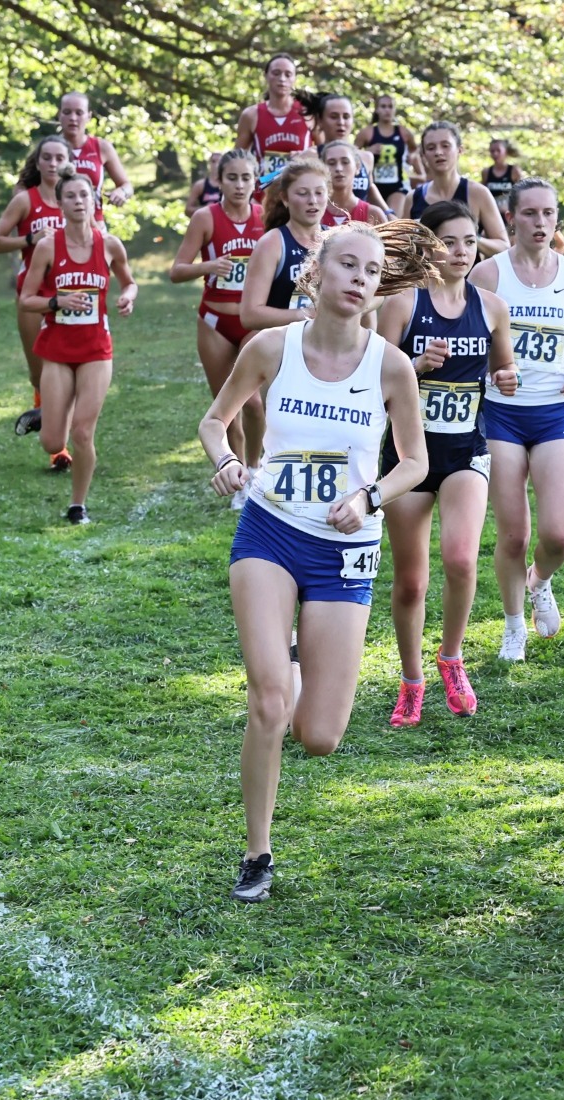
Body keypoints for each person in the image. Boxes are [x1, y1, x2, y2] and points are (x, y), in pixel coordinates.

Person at [199, 217, 440, 904]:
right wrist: (225, 461)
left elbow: (415, 461)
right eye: (348, 266)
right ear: (317, 270)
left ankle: (300, 653)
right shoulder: (271, 348)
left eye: (371, 271)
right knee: (269, 701)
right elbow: (217, 420)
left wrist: (369, 495)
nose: (360, 279)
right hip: (270, 531)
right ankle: (256, 852)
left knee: (322, 736)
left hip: (345, 551)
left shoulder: (390, 365)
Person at [376, 200, 520, 725]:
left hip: (465, 450)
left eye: (469, 241)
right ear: (428, 247)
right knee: (411, 581)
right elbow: (372, 382)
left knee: (460, 560)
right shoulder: (402, 305)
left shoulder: (492, 307)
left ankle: (452, 658)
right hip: (409, 455)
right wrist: (415, 366)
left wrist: (507, 379)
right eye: (449, 242)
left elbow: (505, 371)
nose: (461, 252)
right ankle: (411, 681)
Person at [469, 178, 564, 662]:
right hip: (500, 414)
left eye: (549, 214)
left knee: (559, 535)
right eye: (530, 214)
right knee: (515, 533)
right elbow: (470, 341)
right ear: (511, 217)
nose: (541, 223)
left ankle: (538, 581)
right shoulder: (488, 275)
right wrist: (493, 370)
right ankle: (512, 623)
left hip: (554, 411)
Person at [16, 168, 137, 525]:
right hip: (56, 349)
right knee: (53, 443)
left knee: (83, 432)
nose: (78, 202)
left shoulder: (110, 245)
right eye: (70, 196)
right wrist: (57, 303)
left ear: (94, 200)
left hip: (96, 350)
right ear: (60, 203)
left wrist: (128, 298)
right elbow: (27, 299)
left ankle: (77, 505)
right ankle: (50, 416)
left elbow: (130, 283)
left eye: (84, 195)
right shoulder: (48, 247)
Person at [170, 148, 266, 506]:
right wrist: (207, 267)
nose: (240, 185)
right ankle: (237, 475)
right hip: (214, 320)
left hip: (253, 320)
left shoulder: (266, 216)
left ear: (255, 179)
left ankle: (255, 470)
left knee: (254, 404)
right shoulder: (206, 218)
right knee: (227, 408)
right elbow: (177, 270)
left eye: (246, 177)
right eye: (232, 177)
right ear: (219, 180)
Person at [0, 136, 72, 447]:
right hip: (32, 297)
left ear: (68, 162)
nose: (52, 164)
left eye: (58, 158)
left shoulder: (77, 198)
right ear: (37, 163)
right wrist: (29, 239)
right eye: (46, 158)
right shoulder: (25, 200)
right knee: (39, 375)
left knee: (66, 371)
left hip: (69, 298)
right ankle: (45, 415)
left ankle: (58, 448)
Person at [241, 157, 330, 333]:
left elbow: (375, 295)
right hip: (281, 346)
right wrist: (307, 314)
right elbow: (249, 315)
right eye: (302, 193)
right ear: (285, 198)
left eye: (319, 192)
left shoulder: (339, 240)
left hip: (328, 346)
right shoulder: (272, 244)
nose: (312, 200)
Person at [393, 123, 509, 258]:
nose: (438, 152)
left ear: (460, 150)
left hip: (466, 277)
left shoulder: (478, 193)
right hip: (425, 277)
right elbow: (401, 249)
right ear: (423, 155)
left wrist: (470, 238)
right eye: (431, 148)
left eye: (445, 146)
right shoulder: (413, 198)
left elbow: (503, 247)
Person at [236, 54, 311, 195]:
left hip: (302, 192)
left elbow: (326, 151)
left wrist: (308, 155)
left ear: (295, 78)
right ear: (266, 76)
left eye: (288, 74)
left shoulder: (308, 113)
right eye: (276, 73)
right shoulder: (251, 115)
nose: (282, 79)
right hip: (264, 193)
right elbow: (237, 158)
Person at [314, 97, 391, 216]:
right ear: (320, 120)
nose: (341, 122)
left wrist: (388, 212)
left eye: (346, 116)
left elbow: (370, 189)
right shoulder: (310, 157)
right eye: (334, 117)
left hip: (359, 225)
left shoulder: (366, 157)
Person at [56, 92, 133, 210]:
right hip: (58, 224)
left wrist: (121, 192)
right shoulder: (49, 149)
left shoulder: (102, 147)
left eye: (79, 113)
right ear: (59, 114)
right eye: (67, 112)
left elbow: (127, 186)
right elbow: (24, 186)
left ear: (89, 116)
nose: (73, 118)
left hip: (94, 224)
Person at [364, 94, 420, 210]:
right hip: (373, 186)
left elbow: (415, 148)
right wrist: (368, 151)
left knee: (394, 217)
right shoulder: (368, 132)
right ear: (377, 109)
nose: (387, 110)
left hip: (397, 186)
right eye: (383, 106)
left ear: (395, 109)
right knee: (377, 222)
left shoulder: (403, 132)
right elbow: (351, 153)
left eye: (390, 107)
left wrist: (412, 156)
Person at [321, 140, 388, 228]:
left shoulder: (373, 215)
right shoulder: (313, 212)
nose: (338, 168)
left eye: (345, 162)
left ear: (357, 167)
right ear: (322, 168)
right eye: (331, 163)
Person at [481, 139, 521, 224]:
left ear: (505, 152)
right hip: (492, 214)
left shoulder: (514, 171)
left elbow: (522, 193)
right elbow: (482, 194)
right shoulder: (486, 172)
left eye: (498, 151)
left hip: (509, 215)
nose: (495, 154)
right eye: (492, 151)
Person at [186, 150, 227, 217]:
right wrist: (205, 208)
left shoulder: (228, 184)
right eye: (213, 161)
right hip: (206, 222)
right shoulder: (200, 185)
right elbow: (188, 210)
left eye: (219, 162)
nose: (216, 165)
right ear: (209, 164)